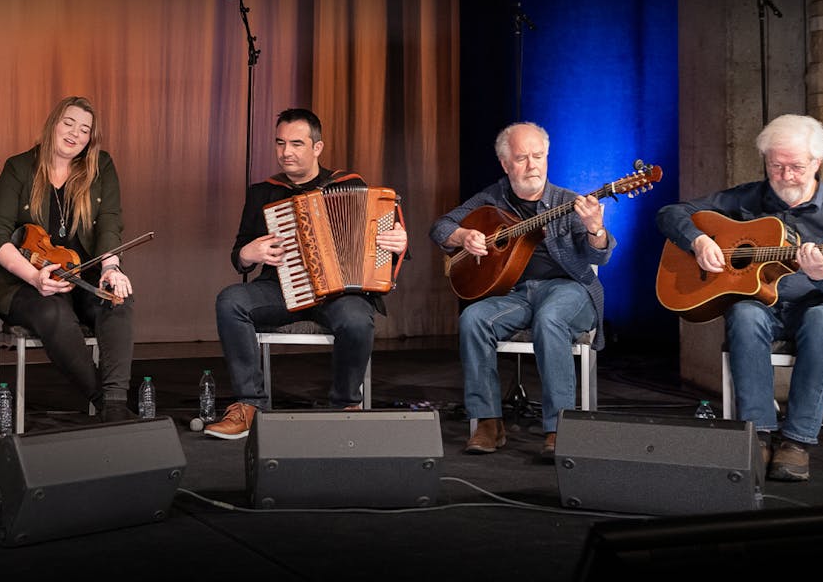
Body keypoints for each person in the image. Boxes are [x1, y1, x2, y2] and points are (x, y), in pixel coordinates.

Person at [657, 114, 823, 482]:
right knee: (745, 314)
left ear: (817, 162)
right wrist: (699, 240)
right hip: (765, 307)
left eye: (796, 167)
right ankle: (759, 434)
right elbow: (671, 213)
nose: (785, 176)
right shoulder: (748, 198)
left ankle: (797, 442)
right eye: (775, 166)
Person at [205, 108, 408, 440]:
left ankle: (344, 406)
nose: (286, 152)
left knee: (357, 320)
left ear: (317, 148)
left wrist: (398, 241)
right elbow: (239, 254)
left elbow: (382, 244)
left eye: (297, 143)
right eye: (280, 143)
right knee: (231, 300)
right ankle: (250, 405)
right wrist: (248, 253)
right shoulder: (263, 192)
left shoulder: (350, 185)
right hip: (280, 289)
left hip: (341, 292)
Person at [430, 122, 613, 458]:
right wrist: (463, 237)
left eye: (538, 156)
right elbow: (440, 226)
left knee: (550, 319)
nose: (532, 165)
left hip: (569, 290)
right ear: (505, 164)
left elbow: (596, 255)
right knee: (473, 319)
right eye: (522, 157)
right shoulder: (492, 197)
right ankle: (487, 422)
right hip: (515, 294)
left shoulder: (568, 202)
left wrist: (595, 231)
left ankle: (559, 427)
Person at [0, 96, 136, 423]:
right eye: (68, 123)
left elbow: (110, 221)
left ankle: (114, 401)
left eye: (84, 130)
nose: (74, 134)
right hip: (23, 281)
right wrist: (34, 277)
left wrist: (111, 268)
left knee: (117, 299)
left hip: (81, 273)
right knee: (54, 311)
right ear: (53, 124)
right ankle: (110, 407)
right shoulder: (19, 167)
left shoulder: (101, 167)